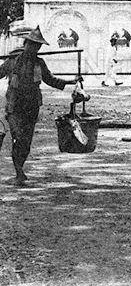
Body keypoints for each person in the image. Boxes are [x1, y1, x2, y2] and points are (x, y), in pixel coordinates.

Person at [0, 26, 82, 186]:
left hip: (31, 107)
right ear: (25, 44)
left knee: (26, 142)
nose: (34, 48)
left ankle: (19, 169)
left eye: (37, 46)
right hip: (14, 106)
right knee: (18, 138)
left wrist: (70, 81)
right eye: (31, 44)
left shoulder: (39, 63)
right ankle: (19, 171)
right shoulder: (12, 61)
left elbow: (50, 80)